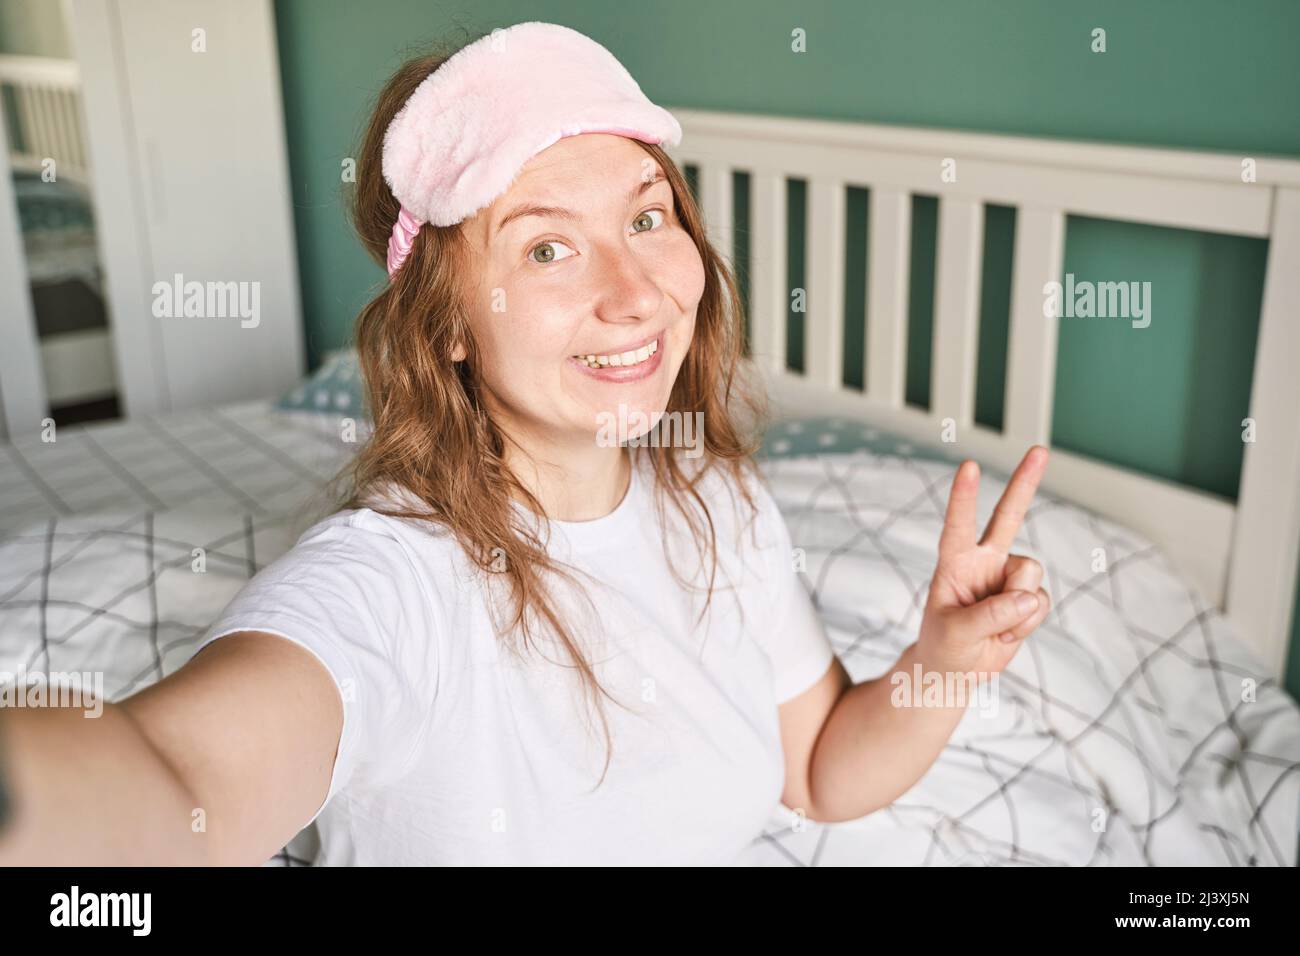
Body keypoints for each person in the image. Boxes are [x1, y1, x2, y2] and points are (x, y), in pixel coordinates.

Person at [0, 21, 1051, 866]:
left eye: (647, 219)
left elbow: (817, 768)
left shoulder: (719, 502)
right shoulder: (394, 579)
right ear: (447, 325)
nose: (634, 295)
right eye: (549, 247)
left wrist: (939, 663)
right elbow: (180, 780)